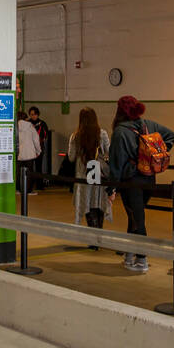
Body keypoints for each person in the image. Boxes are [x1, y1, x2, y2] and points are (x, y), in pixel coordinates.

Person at [107, 95, 174, 273]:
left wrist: (111, 188)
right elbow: (171, 135)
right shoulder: (149, 125)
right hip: (149, 178)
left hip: (131, 181)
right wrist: (157, 153)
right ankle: (129, 255)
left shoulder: (120, 132)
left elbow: (116, 163)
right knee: (135, 218)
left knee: (138, 220)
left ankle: (142, 259)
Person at [67, 106, 112, 248]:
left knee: (87, 204)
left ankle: (93, 240)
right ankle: (99, 236)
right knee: (98, 203)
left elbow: (71, 157)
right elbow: (109, 153)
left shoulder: (75, 136)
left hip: (83, 175)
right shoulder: (102, 133)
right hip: (98, 173)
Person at [16, 111, 42, 192]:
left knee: (18, 173)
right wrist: (38, 151)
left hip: (18, 154)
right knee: (29, 173)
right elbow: (36, 139)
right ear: (26, 118)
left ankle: (18, 189)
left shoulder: (14, 127)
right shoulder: (30, 126)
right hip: (29, 154)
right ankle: (28, 190)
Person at [27, 106, 51, 189]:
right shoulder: (28, 123)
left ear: (37, 114)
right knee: (29, 168)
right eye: (31, 114)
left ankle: (39, 185)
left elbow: (45, 135)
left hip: (39, 148)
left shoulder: (42, 123)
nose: (33, 116)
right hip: (29, 148)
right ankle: (29, 185)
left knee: (38, 167)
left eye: (34, 114)